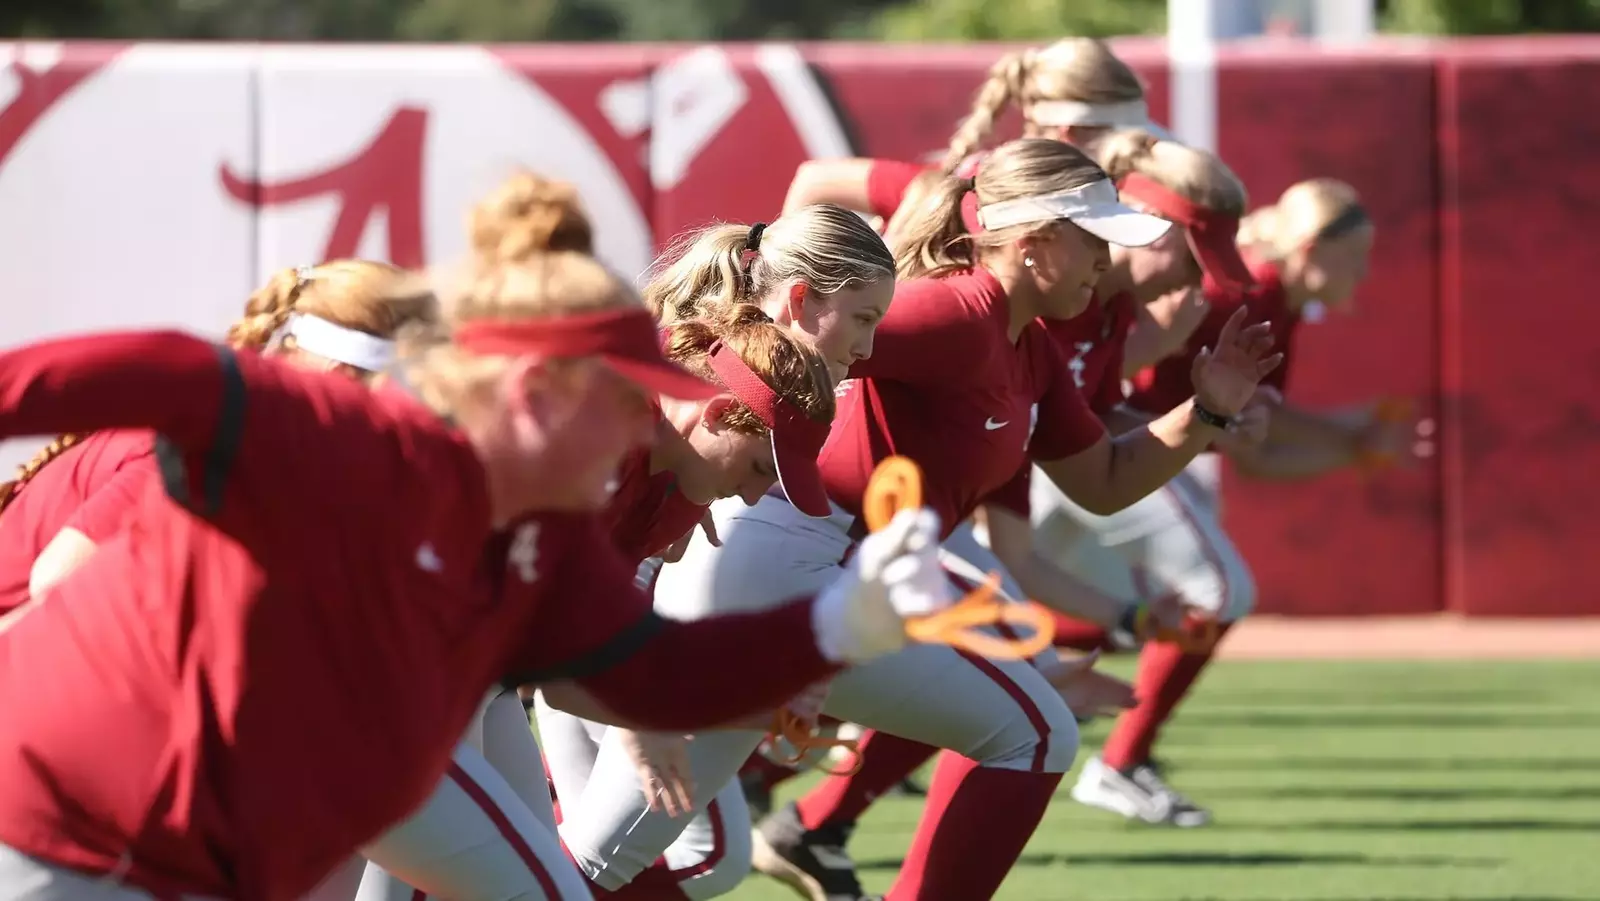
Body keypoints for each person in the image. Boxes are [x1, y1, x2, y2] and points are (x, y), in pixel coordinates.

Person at [0, 236, 959, 900]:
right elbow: (47, 416)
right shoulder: (288, 419)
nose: (625, 425)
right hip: (63, 809)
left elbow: (647, 674)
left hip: (220, 837)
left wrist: (838, 626)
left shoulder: (541, 529)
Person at [656, 137, 1279, 901]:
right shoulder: (954, 311)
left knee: (682, 858)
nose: (1103, 265)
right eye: (1093, 243)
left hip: (828, 572)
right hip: (775, 554)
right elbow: (770, 341)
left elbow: (1105, 481)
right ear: (1033, 244)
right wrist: (667, 509)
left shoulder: (1028, 345)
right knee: (647, 852)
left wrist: (1210, 405)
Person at [355, 200, 852, 901]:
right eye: (760, 464)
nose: (755, 492)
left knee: (540, 885)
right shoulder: (595, 439)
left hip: (475, 677)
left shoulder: (680, 476)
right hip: (405, 672)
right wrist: (650, 718)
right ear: (712, 413)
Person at [531, 203, 898, 901]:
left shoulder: (681, 438)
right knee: (641, 863)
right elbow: (547, 640)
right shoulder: (615, 443)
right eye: (863, 316)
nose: (871, 346)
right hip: (418, 671)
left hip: (505, 674)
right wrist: (646, 707)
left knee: (541, 869)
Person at [1060, 177, 1415, 828]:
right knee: (1216, 593)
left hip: (1117, 447)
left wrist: (1354, 443)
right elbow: (1240, 439)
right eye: (1355, 254)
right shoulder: (1245, 295)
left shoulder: (1274, 299)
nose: (1364, 272)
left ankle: (937, 669)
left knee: (1048, 609)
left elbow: (1257, 443)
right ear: (1311, 246)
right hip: (1103, 445)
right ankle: (1118, 762)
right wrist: (1350, 438)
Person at [0, 259, 429, 633]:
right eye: (389, 419)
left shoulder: (230, 426)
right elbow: (53, 592)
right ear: (339, 381)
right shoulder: (196, 447)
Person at [781, 37, 1168, 226]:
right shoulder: (975, 189)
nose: (1138, 150)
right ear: (1069, 132)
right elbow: (815, 180)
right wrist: (775, 293)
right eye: (1123, 137)